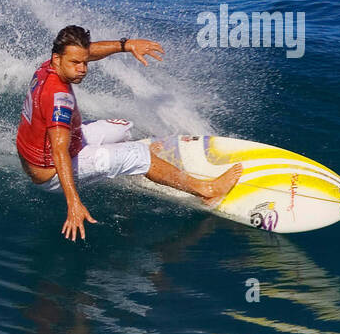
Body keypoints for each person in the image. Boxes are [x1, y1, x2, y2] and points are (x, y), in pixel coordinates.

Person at [17, 25, 241, 241]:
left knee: (123, 127)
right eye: (75, 63)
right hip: (51, 172)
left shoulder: (49, 65)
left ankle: (143, 169)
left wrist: (126, 45)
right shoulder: (59, 100)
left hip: (58, 145)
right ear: (58, 59)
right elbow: (59, 152)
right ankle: (205, 189)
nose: (82, 69)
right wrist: (73, 202)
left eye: (84, 62)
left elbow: (87, 51)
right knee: (137, 153)